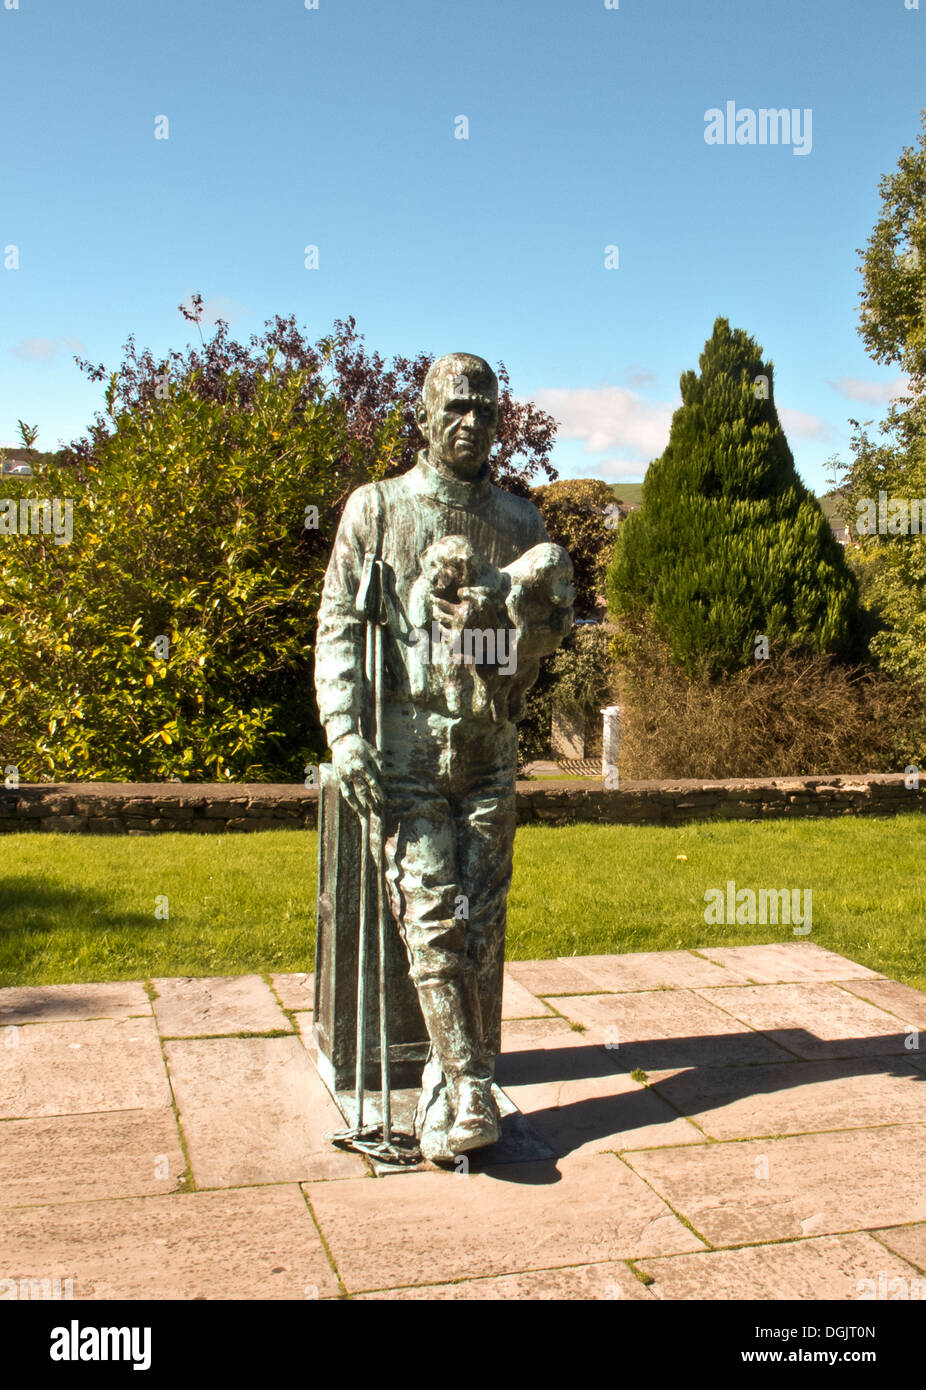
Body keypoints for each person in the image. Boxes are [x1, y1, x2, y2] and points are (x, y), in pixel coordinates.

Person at [315, 352, 572, 1160]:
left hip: (490, 748)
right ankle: (466, 1089)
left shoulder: (522, 526)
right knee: (431, 912)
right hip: (407, 749)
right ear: (424, 417)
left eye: (487, 411)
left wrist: (493, 624)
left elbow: (527, 663)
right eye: (457, 408)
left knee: (483, 919)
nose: (473, 424)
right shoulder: (378, 510)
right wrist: (347, 731)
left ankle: (453, 1081)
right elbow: (337, 629)